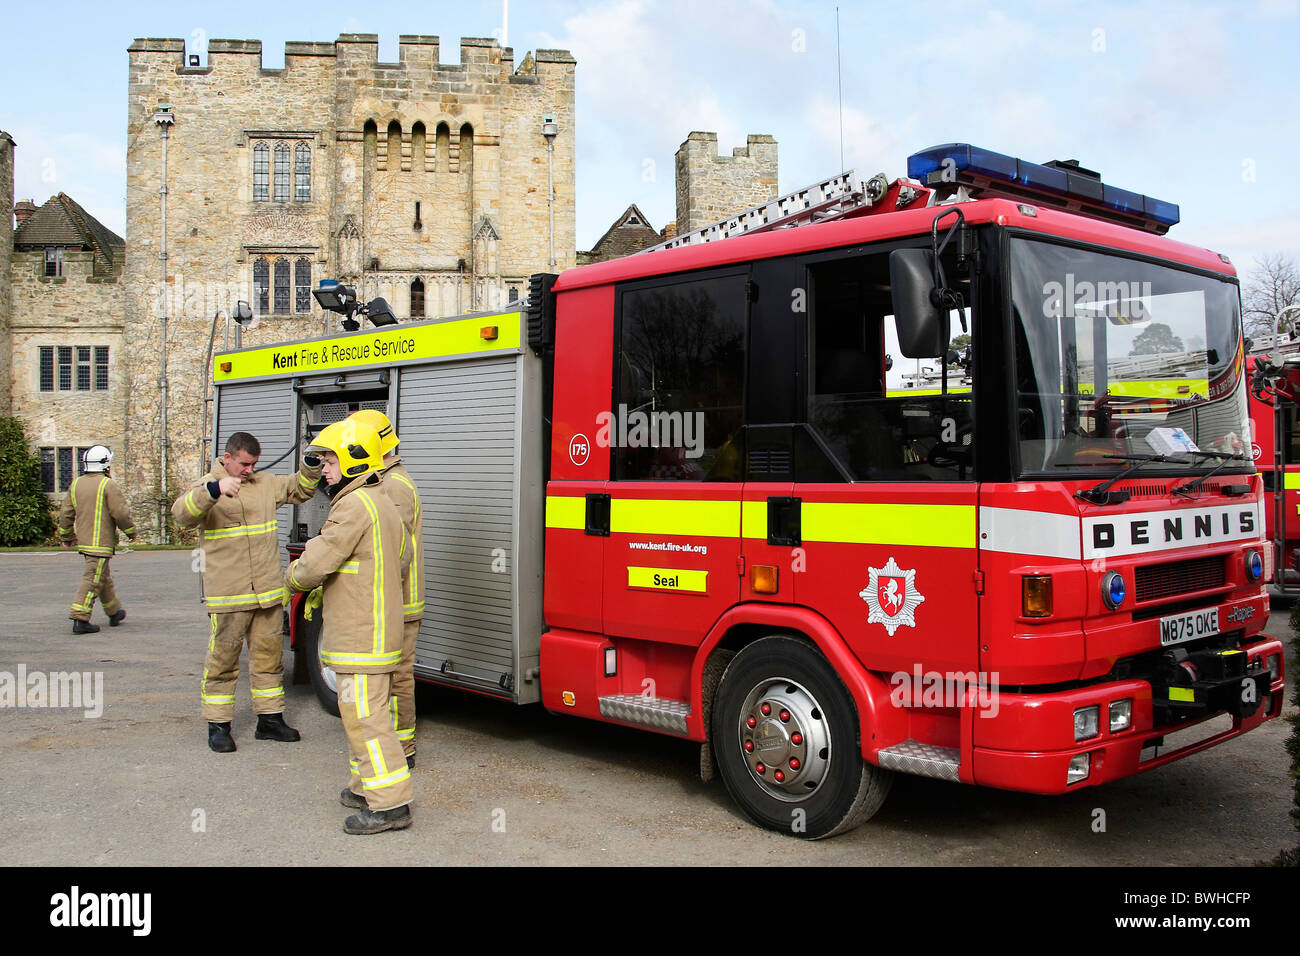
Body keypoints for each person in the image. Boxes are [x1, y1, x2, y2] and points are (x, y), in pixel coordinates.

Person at [284, 419, 413, 834]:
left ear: (356, 460)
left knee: (365, 717)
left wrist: (289, 580)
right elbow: (404, 557)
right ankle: (364, 787)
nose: (323, 469)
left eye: (329, 460)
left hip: (361, 635)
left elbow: (314, 564)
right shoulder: (380, 500)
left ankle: (390, 805)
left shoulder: (352, 506)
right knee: (362, 713)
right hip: (376, 630)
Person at [172, 432, 322, 753]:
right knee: (223, 662)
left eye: (253, 464)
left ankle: (270, 721)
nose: (249, 471)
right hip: (229, 596)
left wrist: (311, 461)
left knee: (269, 659)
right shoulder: (207, 487)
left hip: (266, 593)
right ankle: (218, 726)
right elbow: (181, 515)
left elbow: (300, 488)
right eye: (243, 464)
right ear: (226, 458)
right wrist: (215, 490)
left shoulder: (264, 484)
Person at [349, 409, 423, 768]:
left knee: (397, 676)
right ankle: (397, 746)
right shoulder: (387, 480)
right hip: (393, 599)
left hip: (398, 601)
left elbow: (397, 550)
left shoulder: (393, 485)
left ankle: (402, 750)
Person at [57, 445, 137, 634]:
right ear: (105, 464)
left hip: (85, 542)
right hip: (100, 543)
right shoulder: (107, 484)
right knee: (93, 579)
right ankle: (80, 617)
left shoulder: (76, 484)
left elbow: (66, 513)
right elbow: (120, 512)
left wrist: (66, 536)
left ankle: (114, 611)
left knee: (103, 577)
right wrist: (130, 531)